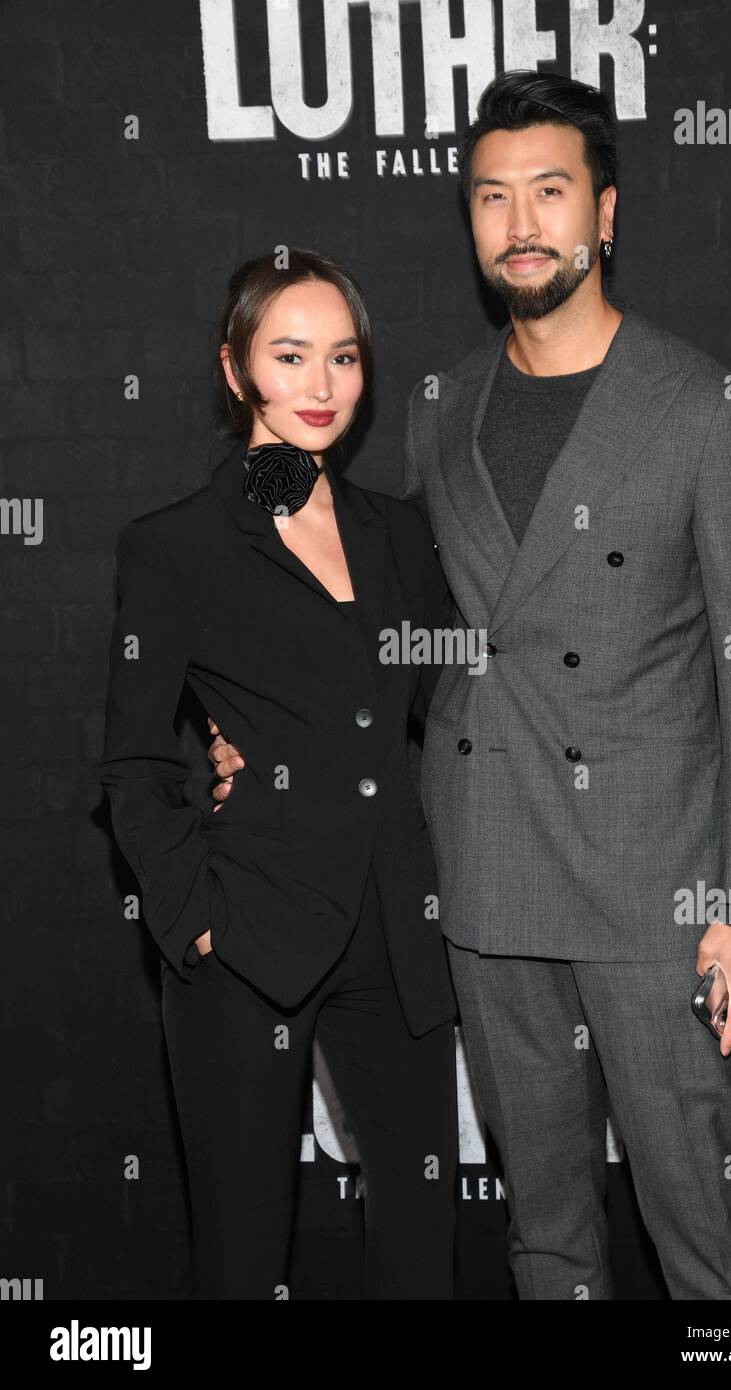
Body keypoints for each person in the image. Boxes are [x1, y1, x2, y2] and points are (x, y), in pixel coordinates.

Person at [215, 70, 731, 1300]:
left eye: (548, 191)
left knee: (703, 1232)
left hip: (662, 892)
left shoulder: (703, 407)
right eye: (492, 197)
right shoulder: (438, 407)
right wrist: (251, 725)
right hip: (484, 874)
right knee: (544, 1234)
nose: (520, 222)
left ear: (605, 212)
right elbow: (397, 624)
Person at [96, 250, 459, 1300]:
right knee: (244, 1252)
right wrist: (192, 912)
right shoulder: (176, 546)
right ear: (235, 368)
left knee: (418, 1244)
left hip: (393, 924)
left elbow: (445, 705)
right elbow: (129, 757)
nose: (319, 385)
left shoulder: (398, 531)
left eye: (341, 357)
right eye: (289, 355)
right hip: (244, 932)